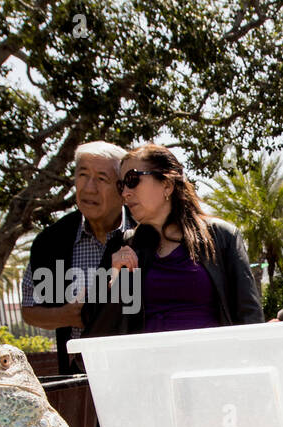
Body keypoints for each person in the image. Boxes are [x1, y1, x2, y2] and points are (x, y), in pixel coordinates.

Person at [85, 144, 263, 336]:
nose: (125, 193)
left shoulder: (222, 237)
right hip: (147, 363)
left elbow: (250, 317)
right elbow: (92, 324)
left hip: (212, 362)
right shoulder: (124, 245)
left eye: (132, 179)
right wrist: (112, 277)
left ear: (167, 185)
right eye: (122, 185)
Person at [22, 141, 130, 373]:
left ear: (123, 190)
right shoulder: (52, 242)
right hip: (80, 372)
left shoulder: (148, 232)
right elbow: (30, 309)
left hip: (137, 366)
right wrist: (67, 315)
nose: (89, 188)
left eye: (102, 179)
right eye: (83, 175)